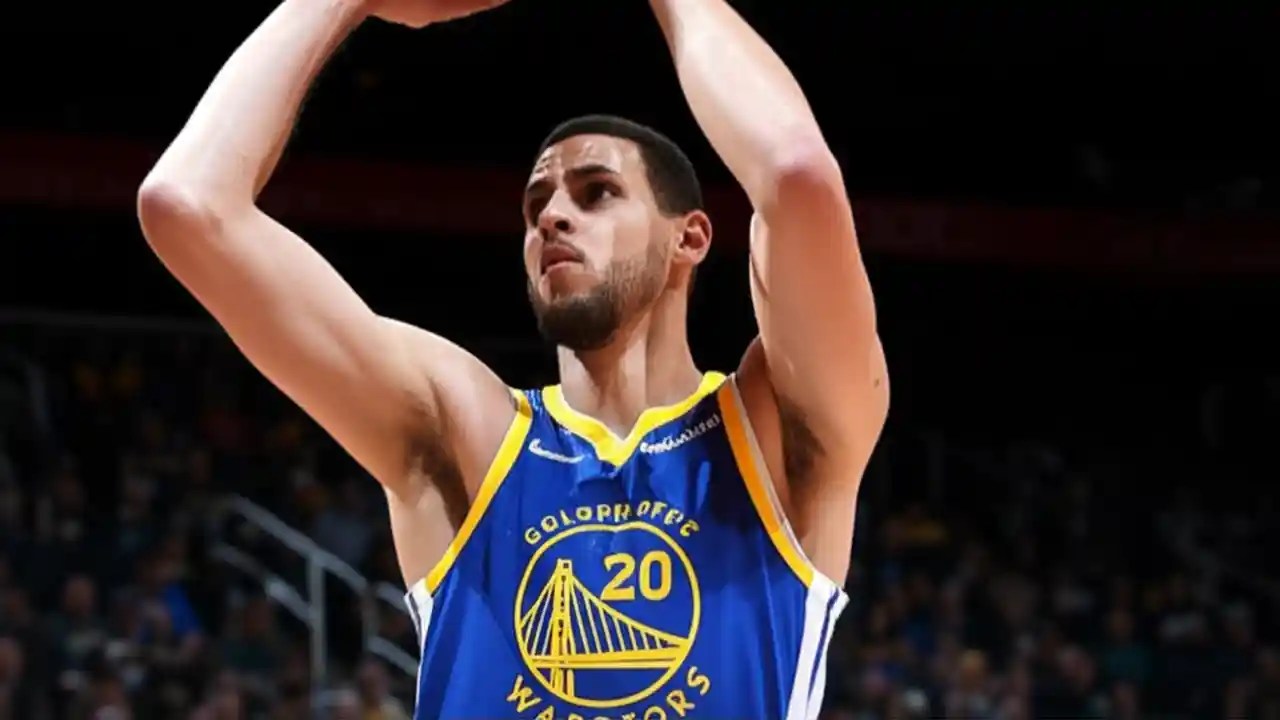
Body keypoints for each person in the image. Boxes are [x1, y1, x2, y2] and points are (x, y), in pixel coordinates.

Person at [136, 0, 889, 717]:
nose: (553, 215)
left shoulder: (776, 432)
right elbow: (187, 204)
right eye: (536, 207)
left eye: (597, 193)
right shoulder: (472, 436)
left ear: (689, 239)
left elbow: (797, 174)